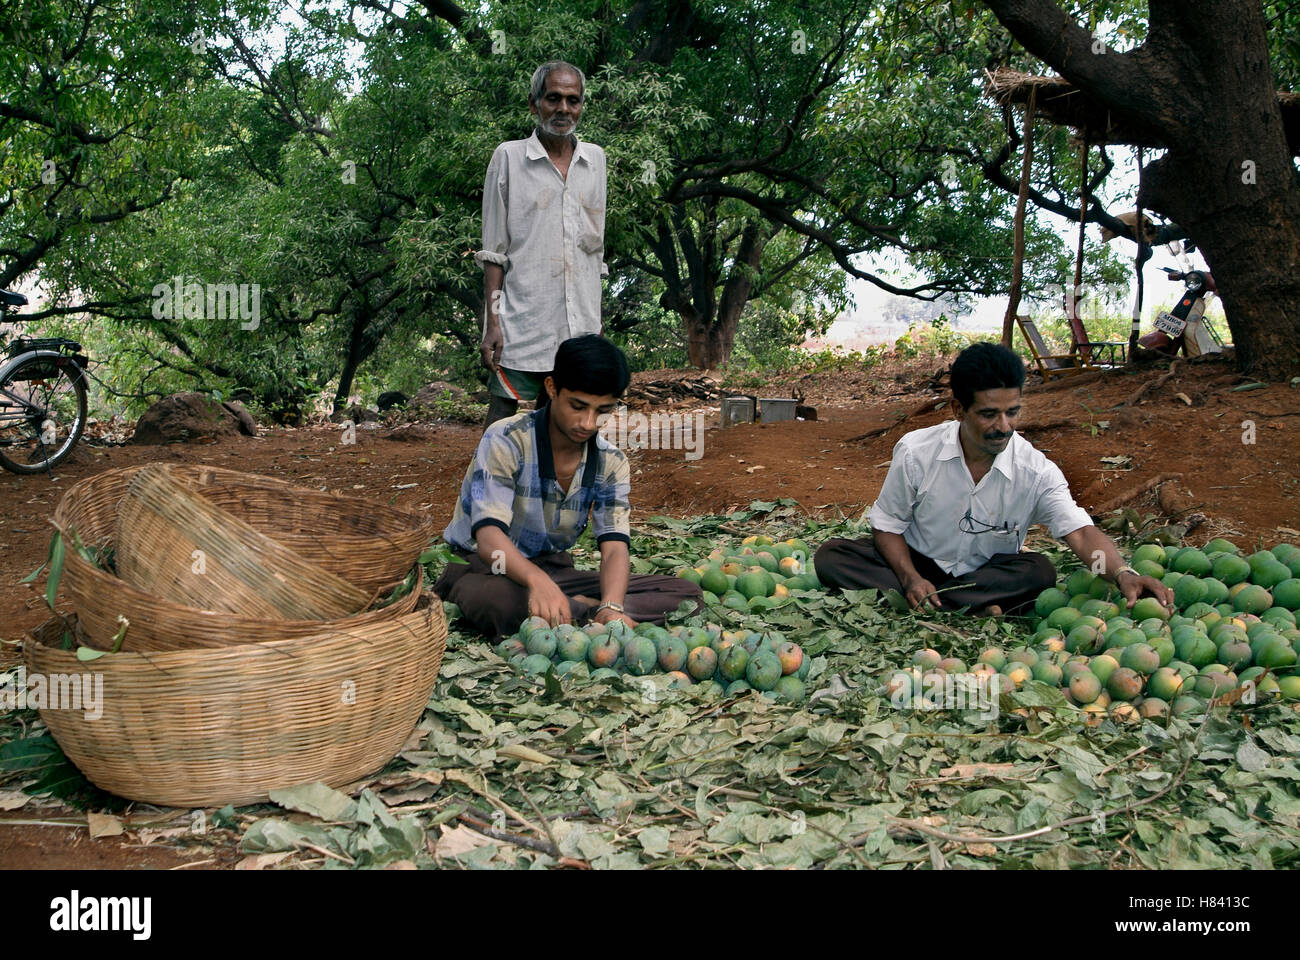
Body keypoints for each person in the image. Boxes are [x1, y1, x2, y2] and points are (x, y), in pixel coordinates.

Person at [815, 342, 1174, 616]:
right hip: (916, 562)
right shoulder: (916, 452)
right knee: (832, 557)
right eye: (989, 414)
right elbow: (888, 528)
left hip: (987, 573)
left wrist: (1121, 573)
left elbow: (1079, 533)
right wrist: (910, 576)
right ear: (959, 410)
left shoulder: (1035, 470)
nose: (1003, 427)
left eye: (1012, 412)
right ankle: (964, 603)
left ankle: (942, 600)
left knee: (1039, 572)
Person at [434, 335, 701, 638]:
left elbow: (614, 549)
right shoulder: (506, 439)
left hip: (555, 571)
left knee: (685, 593)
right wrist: (536, 581)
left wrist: (612, 604)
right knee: (500, 603)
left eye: (603, 410)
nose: (588, 423)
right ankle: (584, 612)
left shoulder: (611, 463)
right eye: (578, 406)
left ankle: (580, 611)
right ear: (552, 388)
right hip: (486, 568)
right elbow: (489, 540)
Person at [477, 60, 608, 429]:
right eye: (553, 98)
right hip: (523, 318)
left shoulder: (595, 160)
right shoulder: (509, 157)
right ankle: (487, 484)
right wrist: (493, 322)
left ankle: (543, 485)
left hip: (579, 321)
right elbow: (493, 253)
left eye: (573, 100)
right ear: (534, 104)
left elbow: (595, 248)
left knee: (559, 415)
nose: (563, 109)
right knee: (502, 412)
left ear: (581, 105)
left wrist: (594, 317)